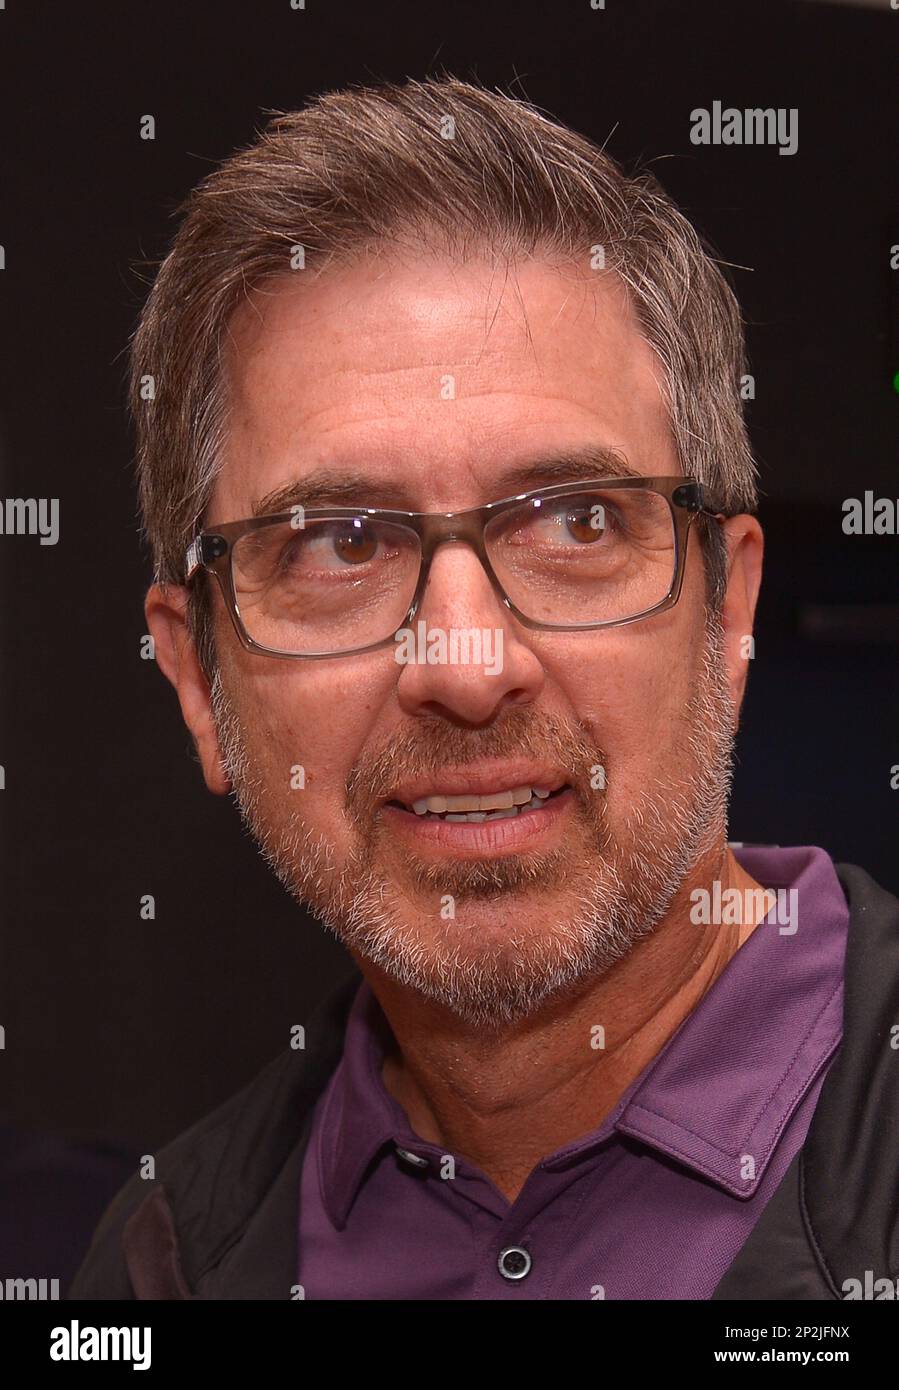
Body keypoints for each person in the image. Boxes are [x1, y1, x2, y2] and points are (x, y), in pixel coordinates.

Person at [70, 76, 899, 1302]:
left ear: (726, 610)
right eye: (340, 542)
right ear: (198, 679)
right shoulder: (160, 1265)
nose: (466, 666)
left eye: (572, 520)